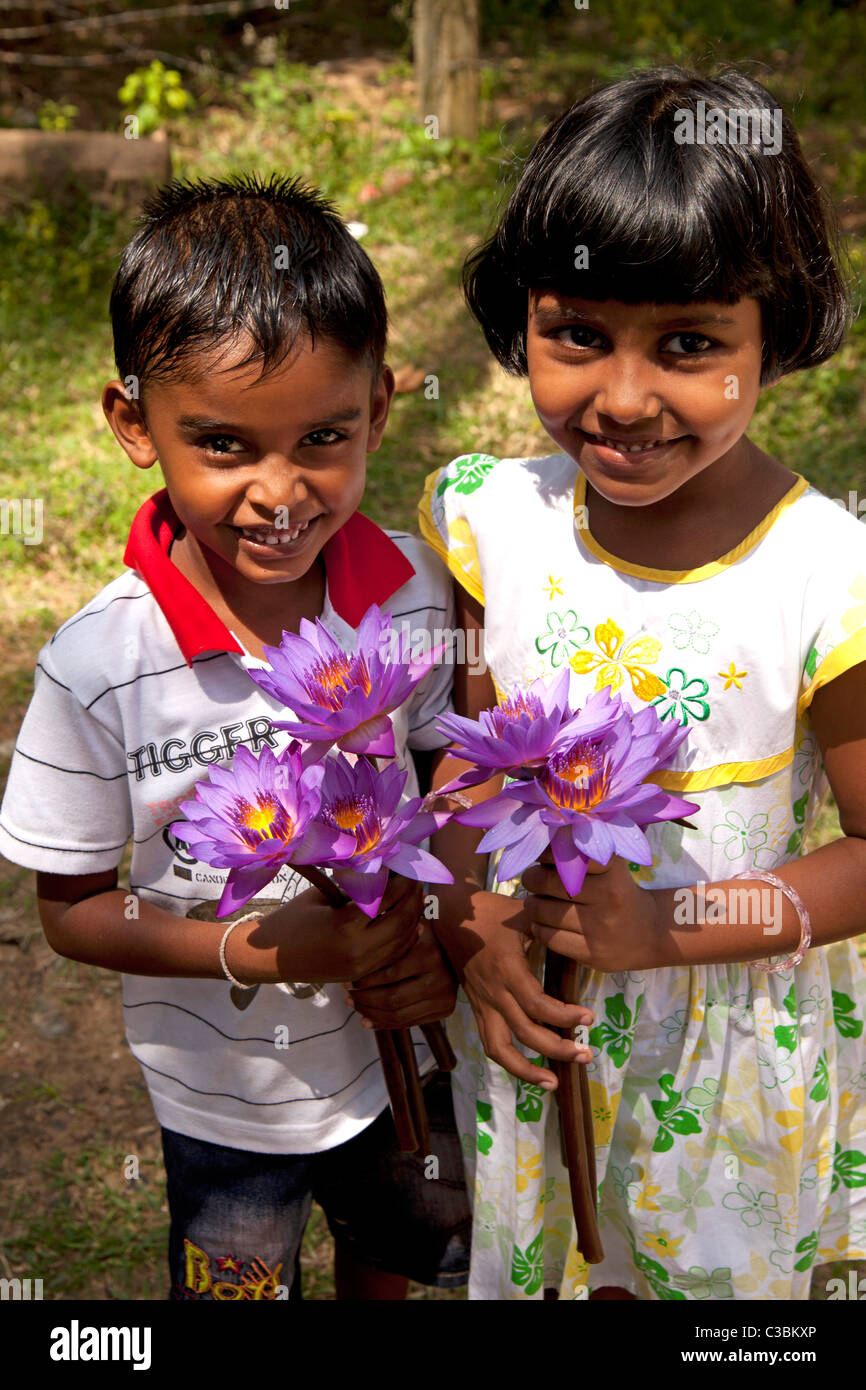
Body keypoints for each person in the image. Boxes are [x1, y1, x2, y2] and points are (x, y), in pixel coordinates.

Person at [421, 66, 866, 1301]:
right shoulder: (490, 523)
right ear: (520, 318)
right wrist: (472, 919)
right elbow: (465, 753)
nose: (620, 399)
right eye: (575, 333)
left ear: (772, 335)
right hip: (533, 1038)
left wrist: (666, 929)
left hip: (721, 1070)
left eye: (686, 344)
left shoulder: (825, 572)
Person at [0, 173, 470, 1301]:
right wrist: (262, 949)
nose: (279, 491)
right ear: (132, 424)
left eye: (323, 436)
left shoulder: (416, 599)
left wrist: (435, 937)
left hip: (392, 1056)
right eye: (220, 443)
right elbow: (71, 912)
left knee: (391, 1262)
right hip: (219, 1100)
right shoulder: (99, 663)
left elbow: (446, 794)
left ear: (377, 412)